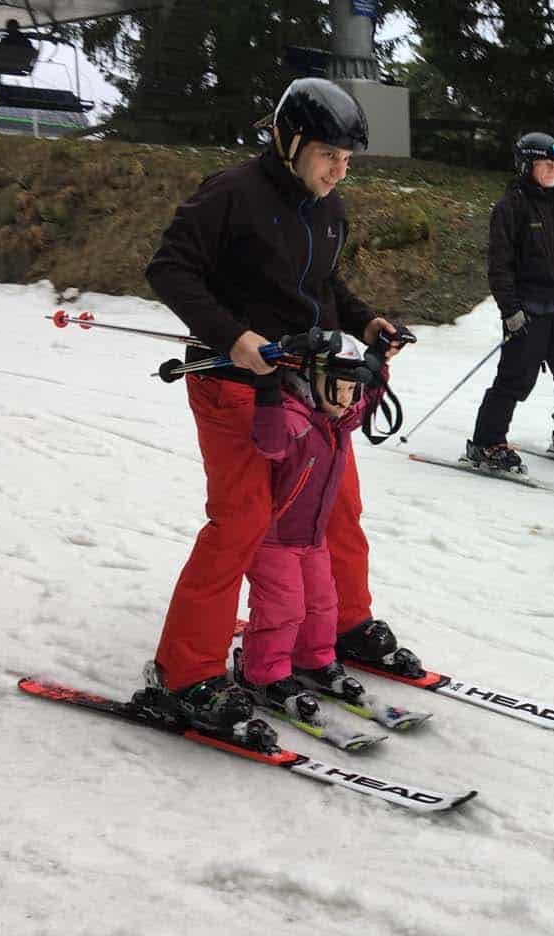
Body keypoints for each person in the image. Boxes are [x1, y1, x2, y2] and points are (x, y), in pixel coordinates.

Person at [142, 77, 415, 737]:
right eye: (328, 155)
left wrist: (366, 321)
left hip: (308, 388)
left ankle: (341, 626)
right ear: (288, 139)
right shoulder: (232, 194)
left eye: (347, 160)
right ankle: (187, 674)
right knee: (243, 522)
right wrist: (234, 336)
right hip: (232, 384)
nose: (338, 170)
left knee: (335, 509)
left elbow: (323, 283)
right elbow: (169, 268)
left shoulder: (329, 207)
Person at [233, 337, 383, 723]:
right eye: (341, 388)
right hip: (276, 539)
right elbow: (269, 442)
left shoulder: (338, 420)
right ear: (310, 381)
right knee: (282, 609)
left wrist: (379, 361)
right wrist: (266, 385)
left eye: (353, 390)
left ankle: (314, 660)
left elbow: (364, 407)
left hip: (313, 538)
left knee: (322, 604)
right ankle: (262, 673)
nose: (349, 399)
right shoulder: (293, 418)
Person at [467, 132, 554, 471]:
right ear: (527, 166)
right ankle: (487, 442)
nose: (553, 170)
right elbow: (499, 267)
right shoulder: (510, 208)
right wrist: (510, 311)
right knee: (515, 380)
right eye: (545, 163)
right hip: (527, 313)